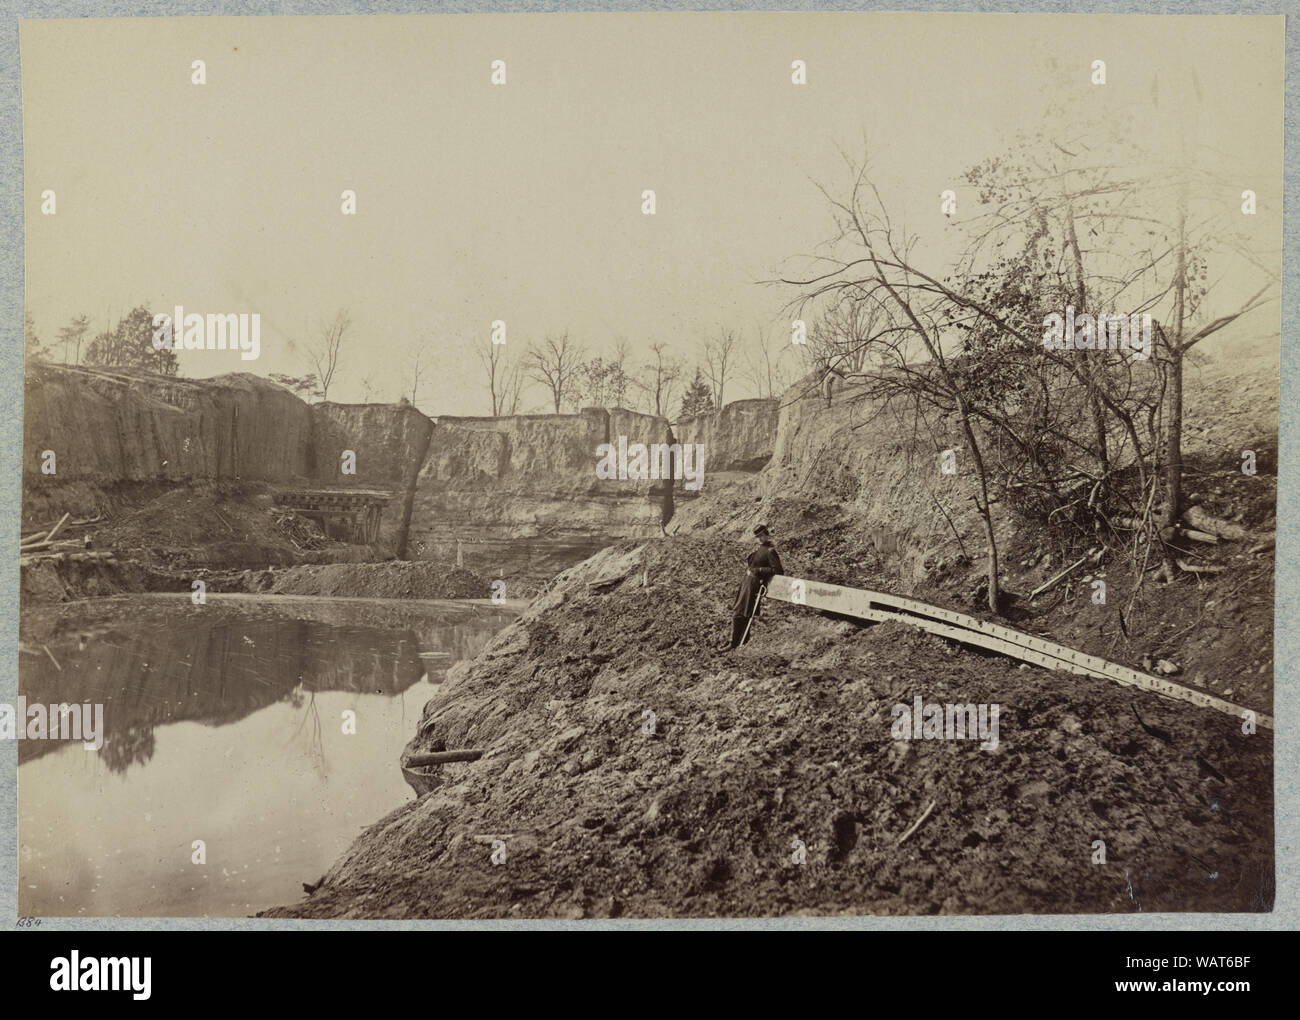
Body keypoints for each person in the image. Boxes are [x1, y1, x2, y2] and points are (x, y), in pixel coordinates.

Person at [725, 524, 784, 650]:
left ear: (767, 535)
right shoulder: (760, 548)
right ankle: (738, 640)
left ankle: (735, 642)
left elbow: (778, 570)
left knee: (743, 612)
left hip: (754, 583)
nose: (760, 539)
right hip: (747, 581)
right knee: (739, 610)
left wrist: (759, 570)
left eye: (762, 536)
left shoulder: (770, 550)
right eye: (758, 537)